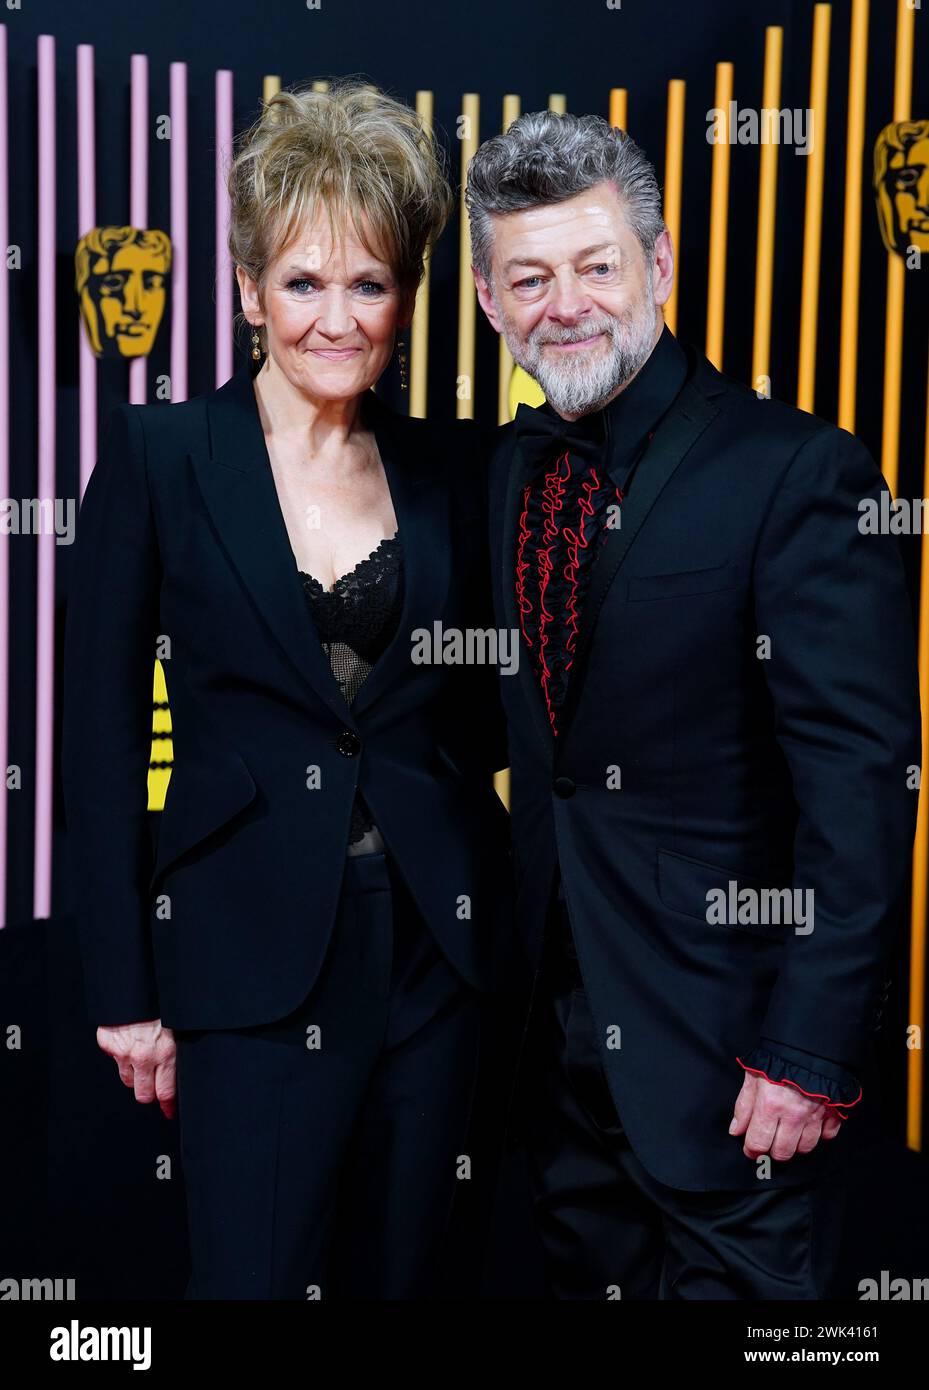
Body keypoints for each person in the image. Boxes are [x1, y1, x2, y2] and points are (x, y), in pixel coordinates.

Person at [61, 78, 511, 1300]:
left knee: (407, 1278)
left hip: (432, 956)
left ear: (405, 300)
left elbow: (478, 716)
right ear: (248, 291)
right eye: (303, 284)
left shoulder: (452, 470)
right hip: (239, 962)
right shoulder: (162, 459)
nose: (335, 318)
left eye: (367, 284)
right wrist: (125, 998)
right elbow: (96, 743)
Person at [465, 109, 921, 1299]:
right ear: (487, 302)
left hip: (737, 1074)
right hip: (554, 1070)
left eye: (596, 264)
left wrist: (807, 1054)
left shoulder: (795, 469)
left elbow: (858, 780)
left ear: (659, 268)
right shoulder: (498, 470)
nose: (566, 302)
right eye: (529, 275)